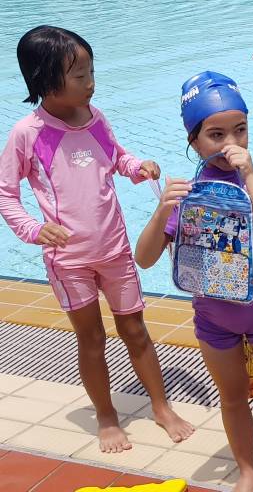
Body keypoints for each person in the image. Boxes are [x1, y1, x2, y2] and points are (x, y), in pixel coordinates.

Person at [0, 26, 193, 454]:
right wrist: (33, 230)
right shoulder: (27, 134)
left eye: (91, 72)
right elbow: (6, 193)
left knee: (136, 329)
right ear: (44, 80)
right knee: (91, 338)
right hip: (69, 260)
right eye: (79, 75)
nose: (90, 83)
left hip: (114, 249)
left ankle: (160, 407)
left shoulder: (96, 118)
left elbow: (116, 157)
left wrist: (138, 165)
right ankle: (107, 417)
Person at [134, 72, 253, 492]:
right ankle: (248, 471)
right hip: (212, 321)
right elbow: (144, 260)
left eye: (239, 130)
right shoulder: (191, 196)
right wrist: (163, 212)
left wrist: (250, 176)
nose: (229, 142)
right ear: (194, 141)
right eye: (215, 134)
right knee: (232, 399)